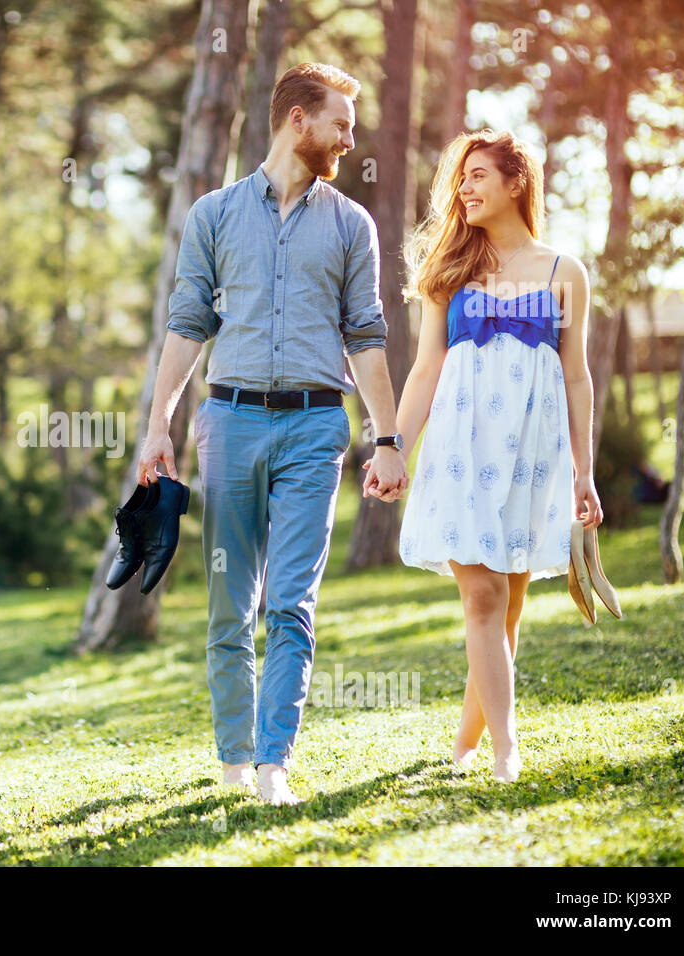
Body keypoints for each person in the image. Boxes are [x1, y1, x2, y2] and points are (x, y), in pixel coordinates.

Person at [137, 63, 406, 805]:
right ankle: (234, 755)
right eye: (341, 125)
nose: (350, 140)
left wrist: (388, 440)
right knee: (232, 601)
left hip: (318, 426)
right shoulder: (214, 216)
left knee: (292, 601)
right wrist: (158, 427)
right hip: (228, 424)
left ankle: (273, 766)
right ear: (297, 120)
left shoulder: (353, 225)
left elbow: (368, 336)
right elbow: (188, 327)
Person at [382, 129, 604, 782]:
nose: (465, 188)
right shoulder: (449, 269)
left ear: (517, 183)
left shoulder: (565, 273)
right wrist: (394, 447)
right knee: (480, 594)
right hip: (459, 446)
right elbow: (424, 371)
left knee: (507, 605)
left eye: (478, 175)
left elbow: (577, 377)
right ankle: (507, 750)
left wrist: (583, 473)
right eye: (461, 178)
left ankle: (465, 746)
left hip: (531, 456)